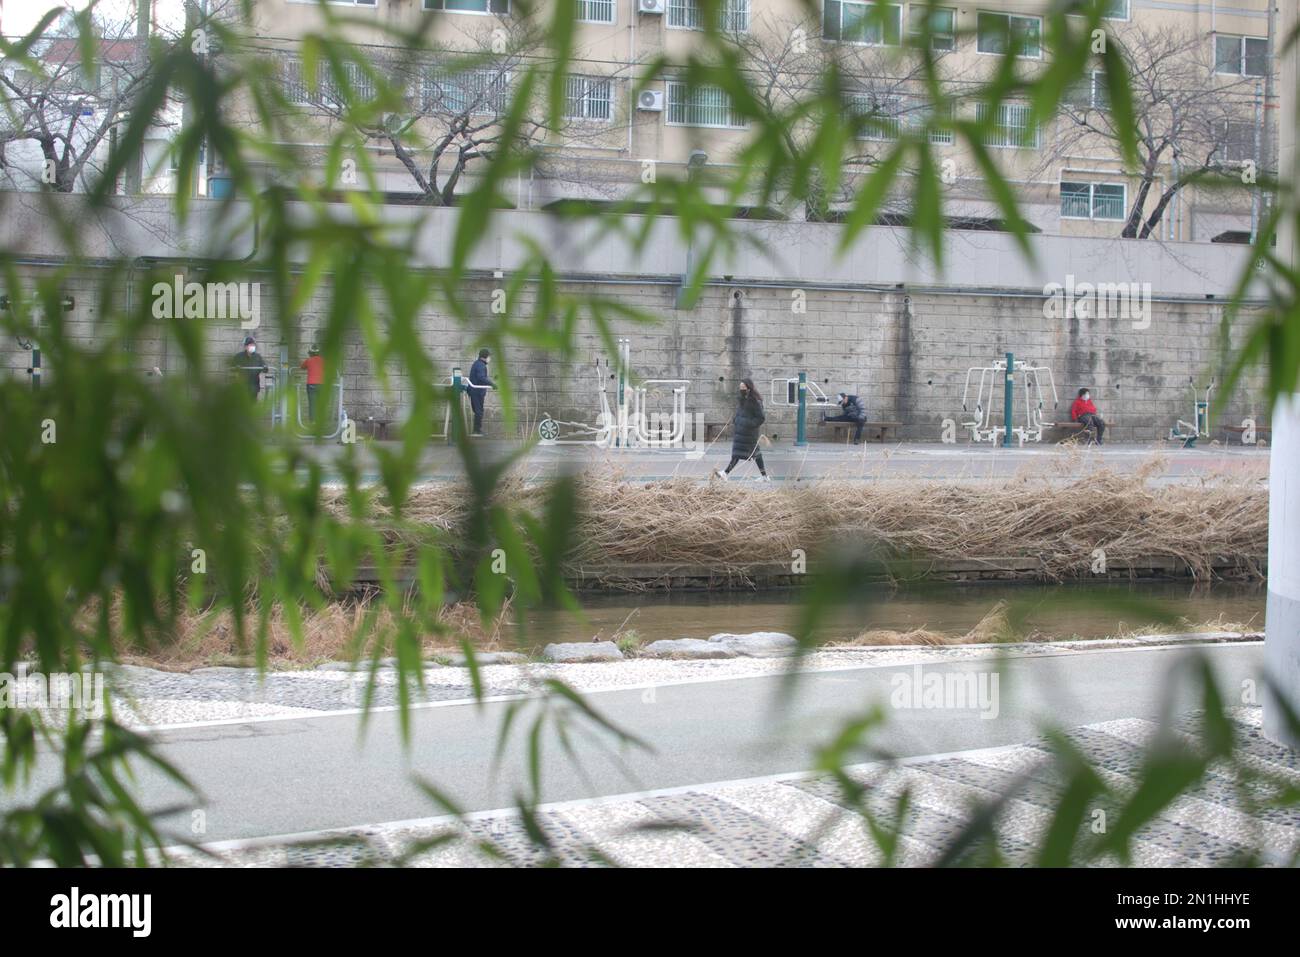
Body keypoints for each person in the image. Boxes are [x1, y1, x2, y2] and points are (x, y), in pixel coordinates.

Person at [715, 378, 770, 481]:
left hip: (749, 433)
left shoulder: (755, 401)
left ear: (749, 388)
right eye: (740, 388)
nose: (741, 389)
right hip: (741, 432)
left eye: (743, 388)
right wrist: (736, 420)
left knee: (739, 453)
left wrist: (748, 424)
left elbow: (761, 418)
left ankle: (725, 473)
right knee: (752, 454)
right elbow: (740, 413)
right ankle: (764, 476)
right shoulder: (742, 399)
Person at [468, 348, 495, 436]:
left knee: (478, 411)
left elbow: (481, 378)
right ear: (485, 357)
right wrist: (492, 384)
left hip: (476, 391)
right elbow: (481, 377)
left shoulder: (478, 364)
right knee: (479, 411)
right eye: (489, 356)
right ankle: (476, 431)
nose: (489, 358)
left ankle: (477, 430)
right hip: (477, 392)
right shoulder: (480, 365)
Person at [232, 335, 268, 400]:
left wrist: (265, 367)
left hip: (254, 386)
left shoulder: (258, 357)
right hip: (242, 387)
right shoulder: (239, 357)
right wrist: (236, 368)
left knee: (252, 405)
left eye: (253, 345)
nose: (252, 346)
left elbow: (264, 367)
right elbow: (232, 368)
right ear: (245, 346)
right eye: (250, 345)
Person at [300, 344, 324, 422]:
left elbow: (302, 367)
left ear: (310, 353)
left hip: (311, 385)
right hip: (321, 384)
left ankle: (312, 422)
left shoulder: (308, 360)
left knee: (312, 404)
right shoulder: (323, 360)